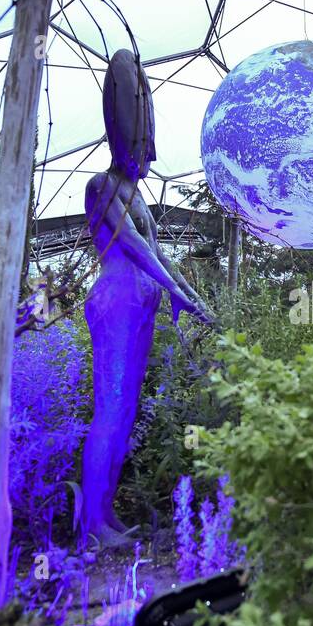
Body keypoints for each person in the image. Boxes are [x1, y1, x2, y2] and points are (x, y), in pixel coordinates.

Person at [80, 48, 212, 545]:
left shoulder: (137, 196)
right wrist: (178, 292)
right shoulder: (102, 187)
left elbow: (159, 256)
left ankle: (106, 516)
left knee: (126, 412)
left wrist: (188, 296)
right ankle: (91, 525)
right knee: (111, 409)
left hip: (140, 309)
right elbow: (134, 249)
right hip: (117, 305)